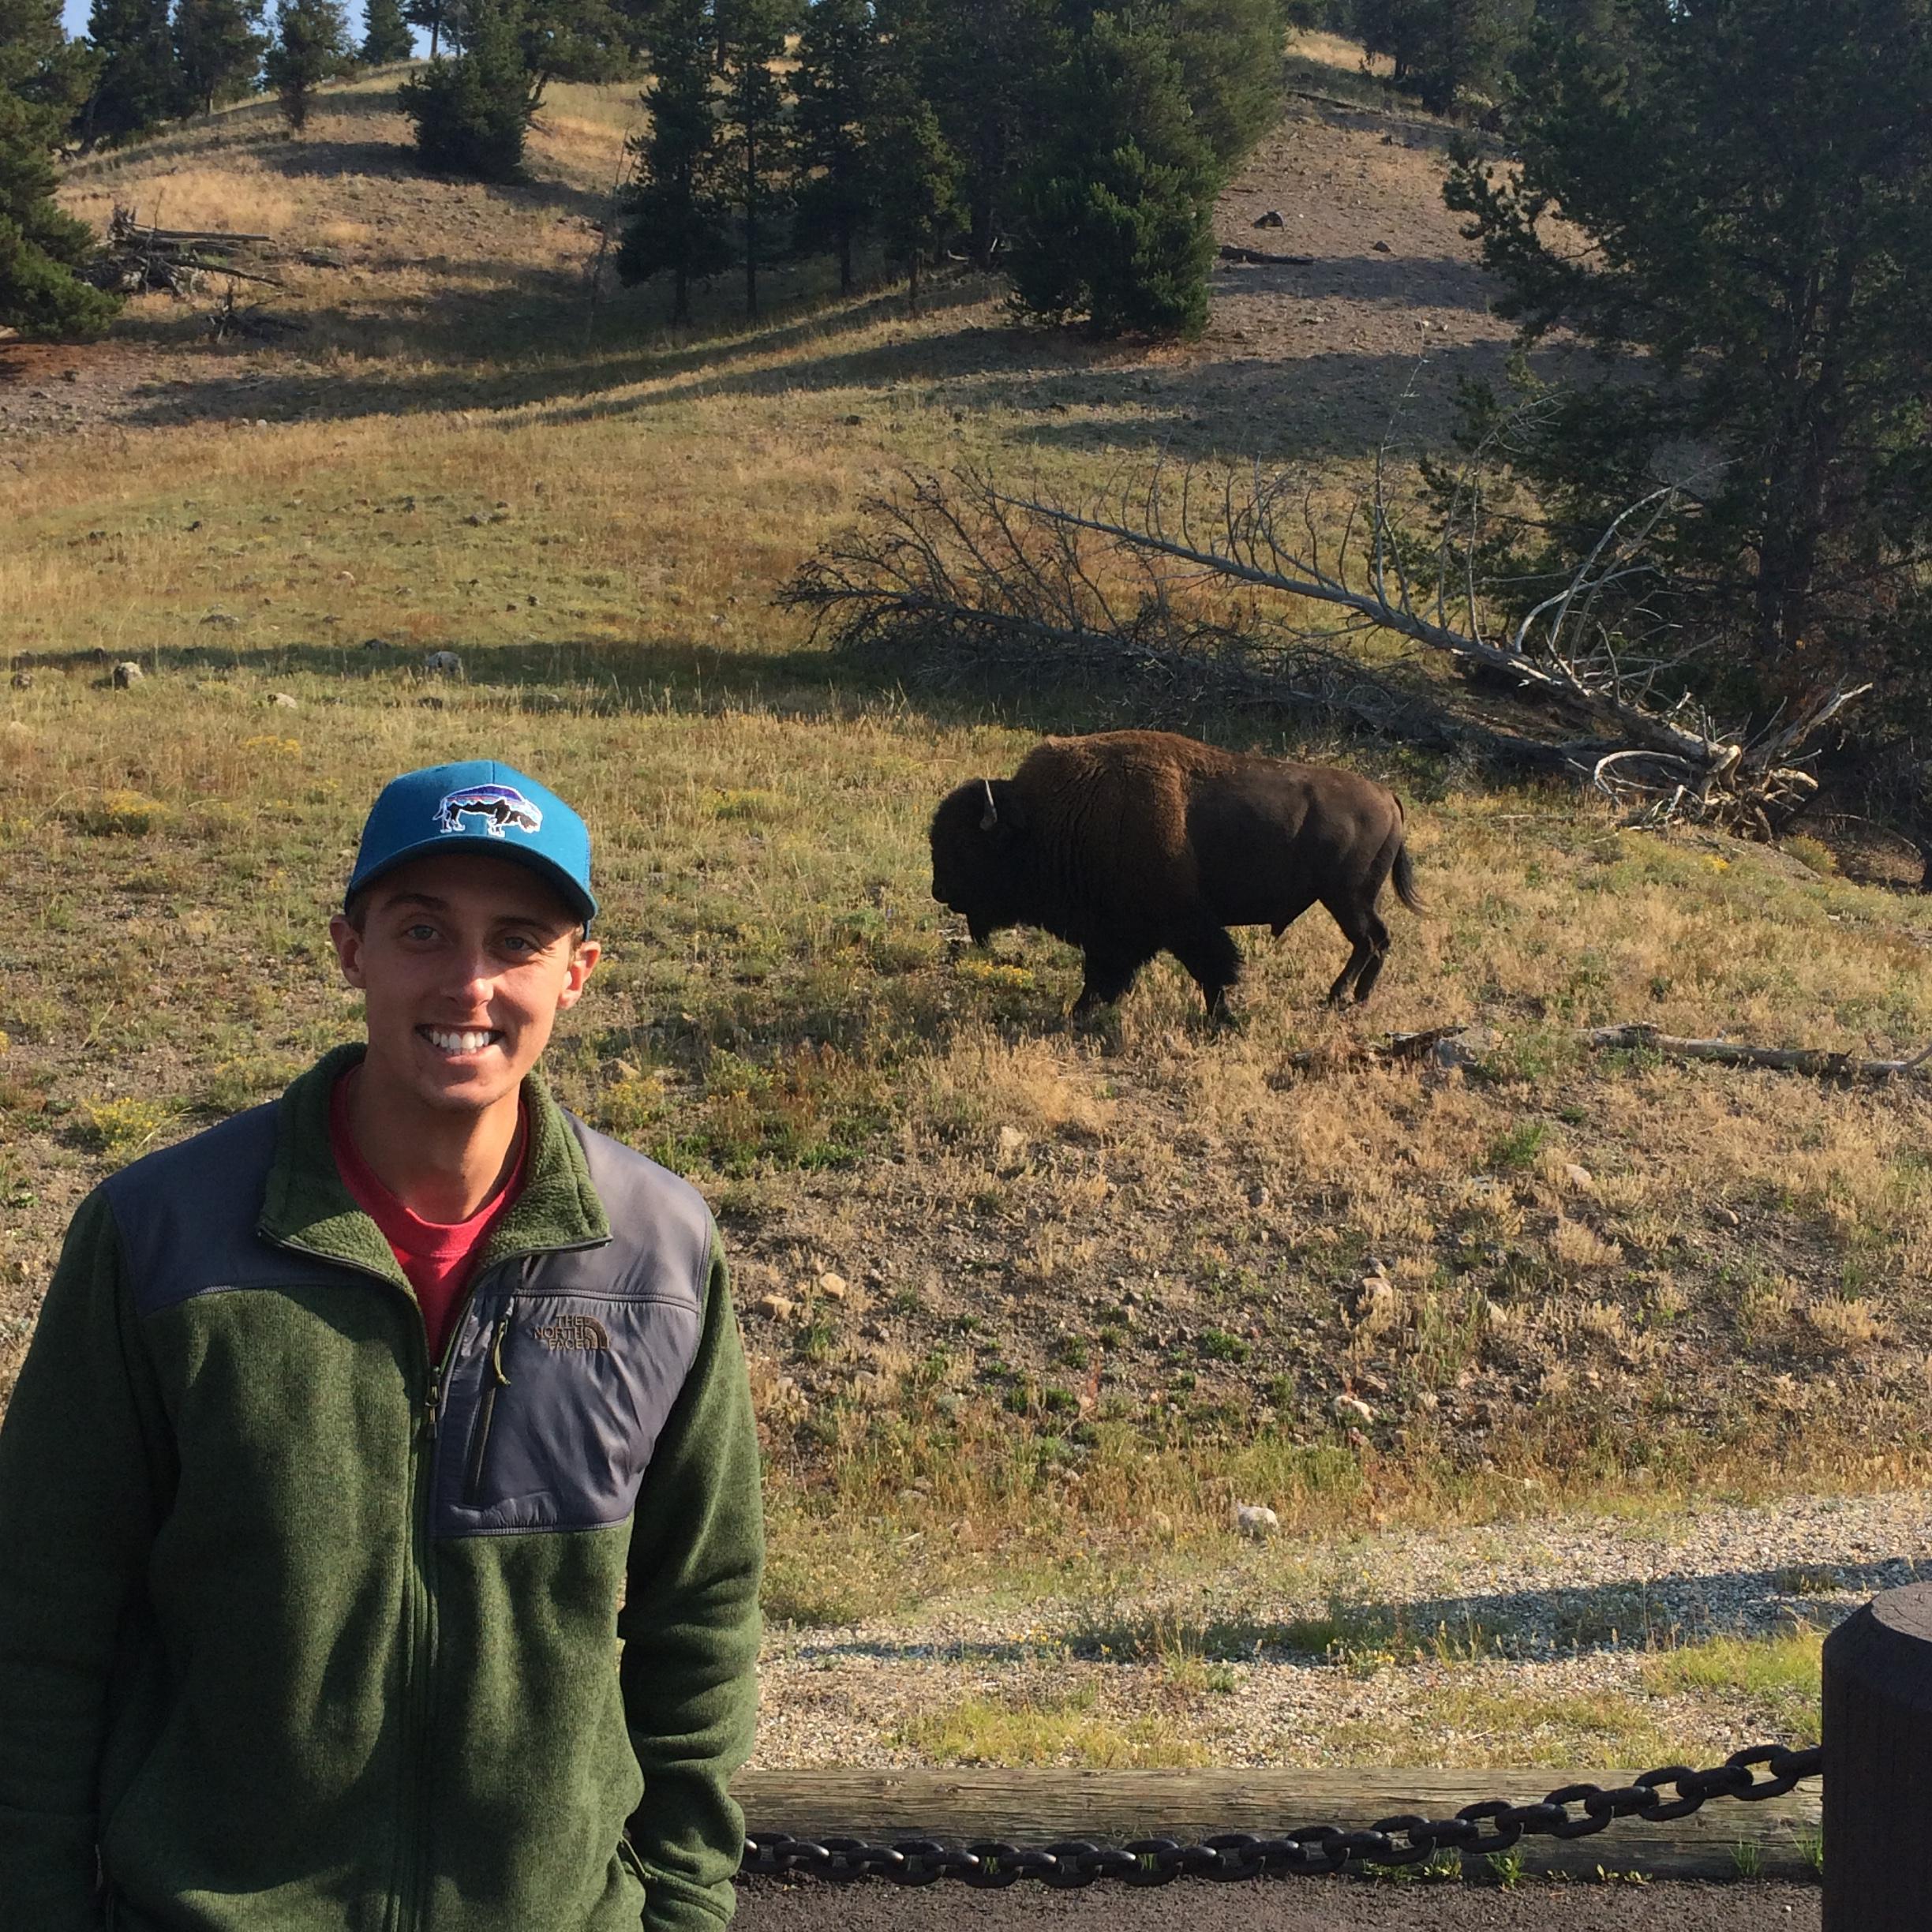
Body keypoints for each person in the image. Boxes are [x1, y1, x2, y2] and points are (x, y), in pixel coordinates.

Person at [0, 758, 765, 1932]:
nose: (468, 983)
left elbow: (699, 1613)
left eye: (517, 940)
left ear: (578, 974)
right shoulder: (158, 1236)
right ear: (351, 949)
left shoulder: (658, 1256)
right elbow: (40, 1619)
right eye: (421, 930)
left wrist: (685, 1911)